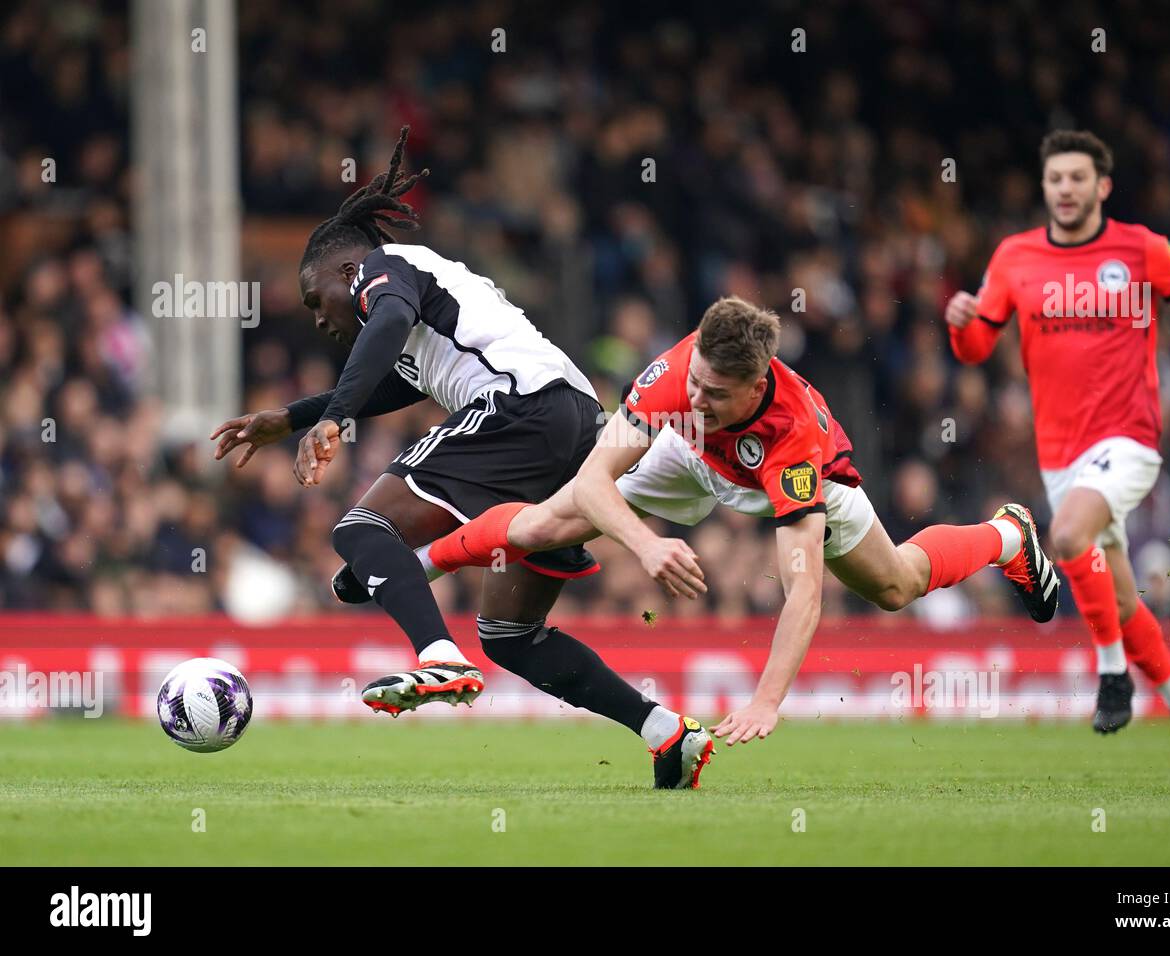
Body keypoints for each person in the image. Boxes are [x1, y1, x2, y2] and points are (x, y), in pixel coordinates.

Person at [211, 129, 712, 789]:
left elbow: (384, 328)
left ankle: (438, 656)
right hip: (574, 429)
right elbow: (400, 377)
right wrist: (296, 415)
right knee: (512, 635)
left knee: (360, 529)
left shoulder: (384, 273)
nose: (319, 320)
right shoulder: (424, 301)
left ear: (344, 271)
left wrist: (332, 421)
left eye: (315, 301)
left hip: (521, 409)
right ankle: (666, 734)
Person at [380, 296, 1059, 748]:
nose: (697, 395)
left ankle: (1007, 536)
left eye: (716, 391)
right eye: (695, 381)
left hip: (783, 484)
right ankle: (426, 563)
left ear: (758, 380)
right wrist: (646, 545)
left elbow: (805, 590)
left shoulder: (793, 438)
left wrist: (766, 701)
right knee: (549, 522)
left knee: (895, 587)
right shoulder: (676, 377)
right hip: (689, 457)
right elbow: (592, 482)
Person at [944, 130, 1170, 769]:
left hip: (1129, 439)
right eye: (1055, 178)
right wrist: (962, 325)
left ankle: (1111, 673)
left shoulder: (1139, 249)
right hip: (1060, 452)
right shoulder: (1015, 257)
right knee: (1120, 600)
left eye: (1078, 178)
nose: (1065, 189)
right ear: (1044, 187)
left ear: (1102, 187)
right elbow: (977, 350)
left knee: (1065, 534)